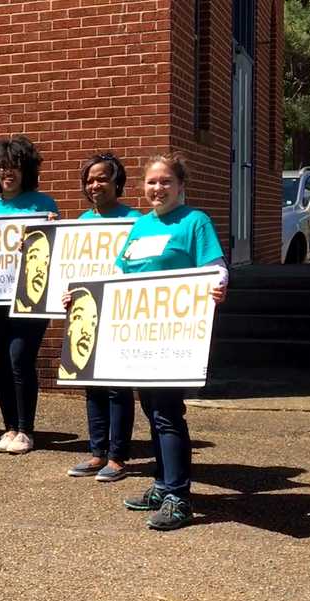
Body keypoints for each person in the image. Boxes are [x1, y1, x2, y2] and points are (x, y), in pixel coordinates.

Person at [114, 153, 228, 530]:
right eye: (152, 182)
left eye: (166, 181)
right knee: (151, 408)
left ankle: (178, 497)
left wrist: (218, 286)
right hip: (140, 334)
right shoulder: (140, 225)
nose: (158, 188)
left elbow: (215, 268)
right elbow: (119, 273)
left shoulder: (195, 221)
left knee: (166, 411)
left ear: (181, 186)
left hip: (174, 334)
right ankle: (163, 486)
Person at [0, 135, 59, 455]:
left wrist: (51, 230)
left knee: (20, 358)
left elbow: (55, 247)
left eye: (15, 167)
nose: (7, 172)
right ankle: (9, 427)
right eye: (2, 167)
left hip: (30, 295)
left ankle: (26, 430)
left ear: (27, 170)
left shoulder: (43, 205)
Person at [65, 153, 143, 482]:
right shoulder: (81, 222)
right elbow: (70, 269)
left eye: (102, 178)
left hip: (120, 312)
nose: (94, 185)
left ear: (117, 182)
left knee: (117, 387)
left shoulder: (136, 221)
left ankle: (118, 458)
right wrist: (66, 294)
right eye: (89, 180)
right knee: (93, 386)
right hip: (86, 313)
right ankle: (97, 453)